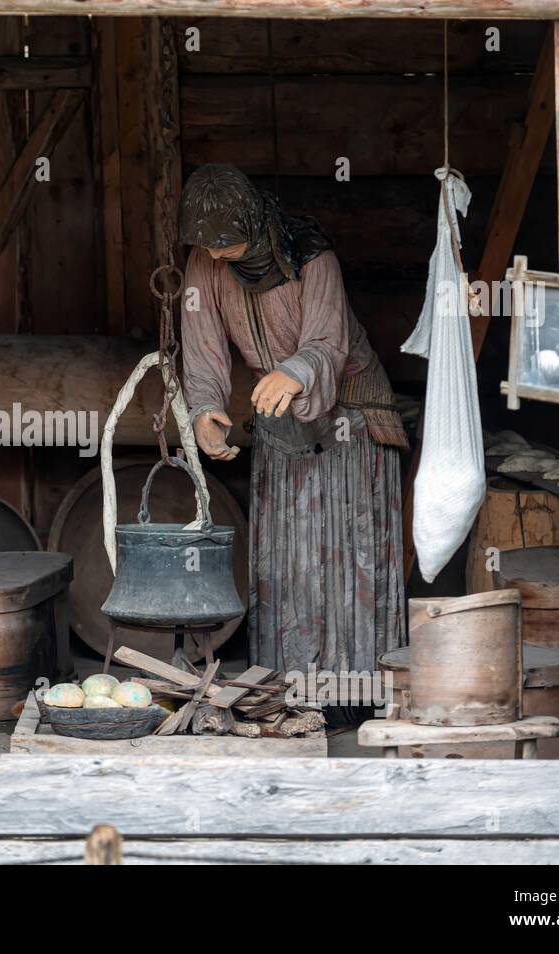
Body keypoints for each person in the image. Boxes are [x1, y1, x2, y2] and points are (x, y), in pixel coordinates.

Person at [178, 163, 408, 675]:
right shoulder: (205, 259)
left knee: (351, 557)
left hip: (350, 414)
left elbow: (328, 341)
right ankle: (288, 688)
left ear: (253, 223)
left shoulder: (312, 255)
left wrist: (296, 371)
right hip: (280, 419)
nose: (215, 254)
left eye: (225, 243)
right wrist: (204, 407)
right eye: (207, 246)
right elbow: (201, 348)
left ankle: (360, 689)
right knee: (290, 560)